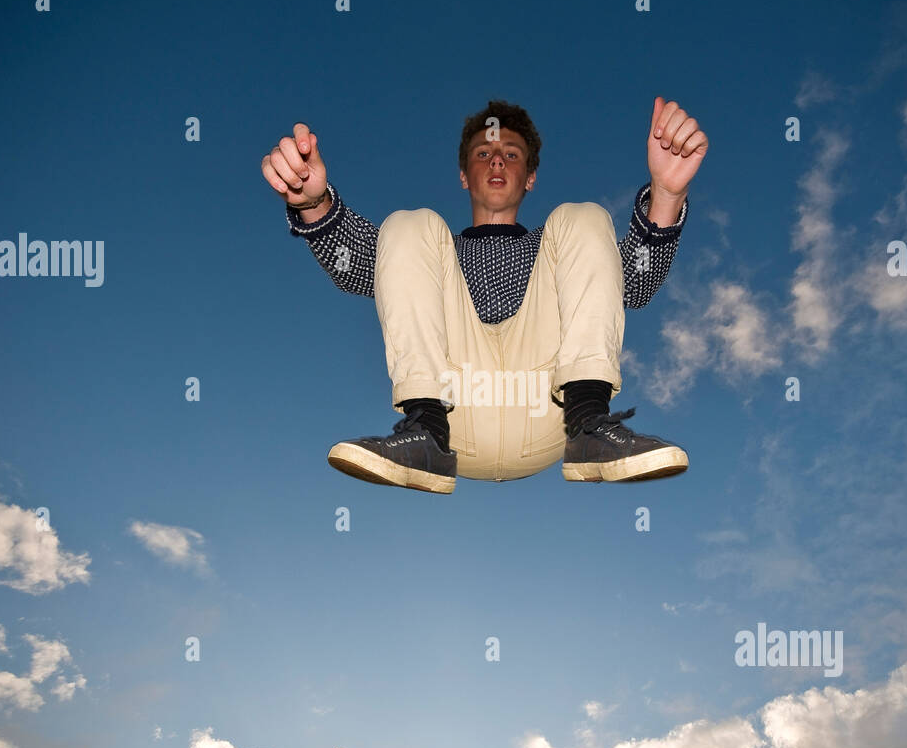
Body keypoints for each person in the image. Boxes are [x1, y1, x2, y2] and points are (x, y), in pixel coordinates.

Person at [261, 96, 708, 494]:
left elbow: (633, 283)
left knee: (583, 215)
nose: (497, 162)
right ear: (463, 175)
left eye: (510, 154)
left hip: (548, 408)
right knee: (409, 223)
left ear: (529, 177)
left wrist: (667, 195)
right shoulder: (436, 254)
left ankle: (591, 424)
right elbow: (357, 265)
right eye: (484, 153)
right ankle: (424, 434)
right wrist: (312, 204)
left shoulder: (554, 249)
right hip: (455, 414)